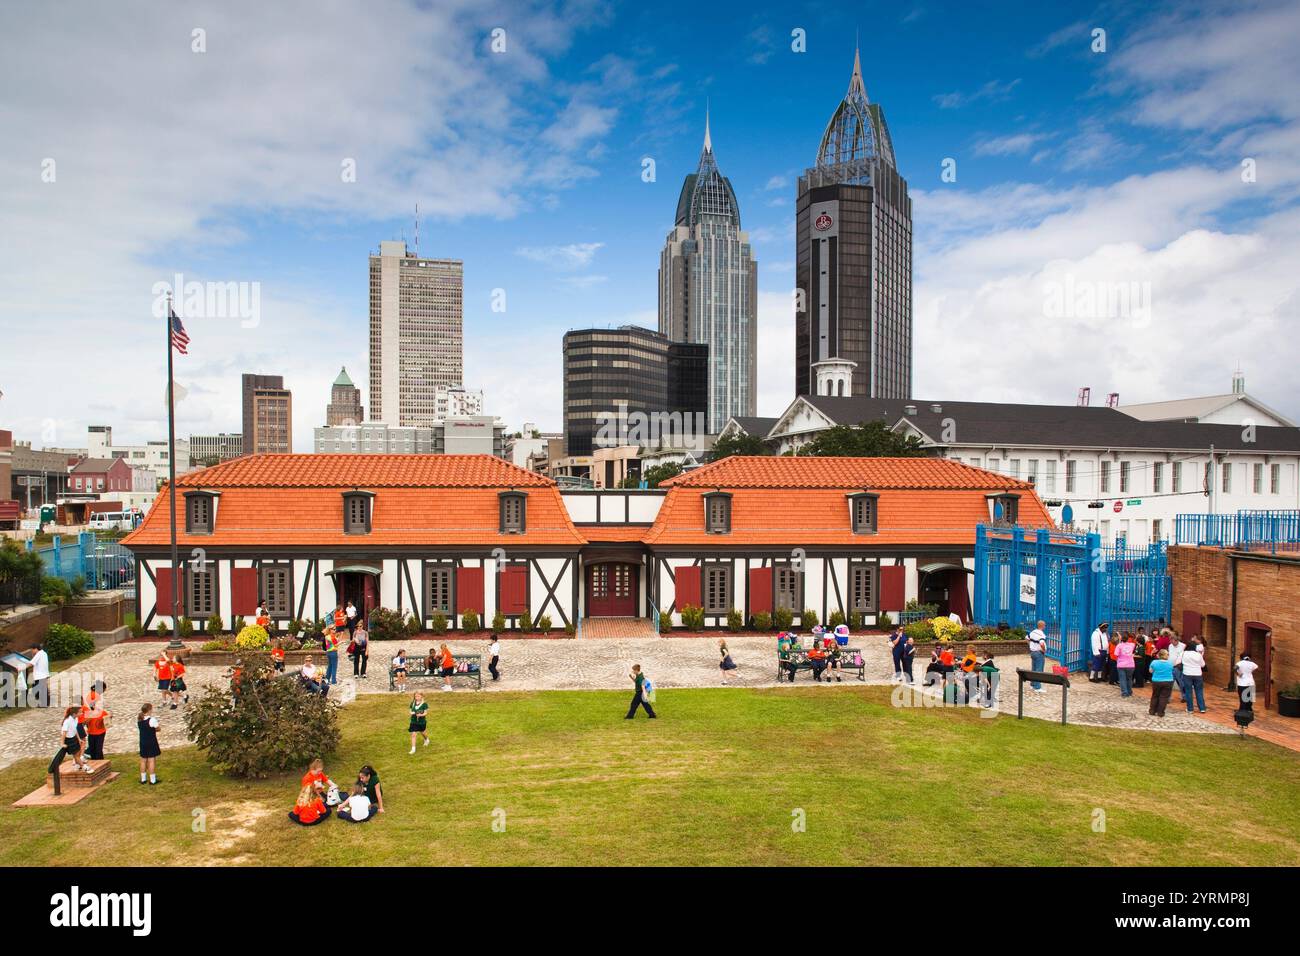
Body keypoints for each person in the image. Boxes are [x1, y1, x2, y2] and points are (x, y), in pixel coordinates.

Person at [53, 705, 92, 775]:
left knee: (79, 752)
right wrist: (62, 743)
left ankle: (77, 764)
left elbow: (75, 730)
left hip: (74, 737)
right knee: (76, 755)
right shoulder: (67, 721)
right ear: (74, 714)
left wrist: (79, 739)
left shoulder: (76, 719)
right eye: (80, 712)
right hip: (69, 739)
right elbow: (64, 733)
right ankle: (84, 767)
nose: (82, 713)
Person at [81, 681, 109, 761]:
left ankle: (98, 763)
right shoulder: (94, 696)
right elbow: (94, 710)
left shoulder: (92, 694)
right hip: (96, 726)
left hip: (93, 727)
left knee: (96, 750)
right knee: (97, 750)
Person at [137, 702, 161, 784]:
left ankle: (143, 779)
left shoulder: (139, 719)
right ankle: (152, 780)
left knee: (143, 760)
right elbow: (158, 729)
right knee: (151, 760)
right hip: (151, 742)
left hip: (142, 742)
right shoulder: (152, 720)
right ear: (149, 710)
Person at [1181, 641, 1207, 713]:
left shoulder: (1184, 653)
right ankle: (1202, 708)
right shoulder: (1198, 655)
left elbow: (1181, 661)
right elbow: (1203, 665)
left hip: (1187, 673)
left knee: (1188, 691)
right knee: (1199, 691)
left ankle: (1190, 709)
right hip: (1197, 674)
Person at [1148, 650, 1175, 717]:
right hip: (1168, 681)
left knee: (1155, 696)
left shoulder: (1154, 662)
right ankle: (1161, 712)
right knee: (1164, 697)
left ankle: (1152, 710)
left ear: (1159, 655)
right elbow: (1172, 670)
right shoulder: (1170, 663)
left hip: (1156, 680)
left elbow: (1150, 671)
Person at [1026, 620, 1048, 693]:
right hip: (1039, 653)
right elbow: (1042, 643)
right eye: (1045, 625)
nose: (1045, 627)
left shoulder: (1032, 632)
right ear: (1043, 626)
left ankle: (1032, 684)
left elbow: (1026, 638)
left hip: (1032, 652)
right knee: (1039, 670)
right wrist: (1044, 650)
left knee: (1034, 668)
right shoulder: (1041, 635)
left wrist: (1030, 645)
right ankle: (1037, 687)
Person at [28, 641, 50, 708]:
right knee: (43, 689)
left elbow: (31, 663)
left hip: (39, 675)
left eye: (32, 649)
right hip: (44, 674)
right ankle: (46, 703)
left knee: (37, 690)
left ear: (35, 649)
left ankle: (43, 704)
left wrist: (20, 668)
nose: (31, 651)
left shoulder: (38, 654)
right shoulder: (43, 653)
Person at [1115, 632, 1137, 698]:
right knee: (1129, 679)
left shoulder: (1119, 645)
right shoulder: (1132, 645)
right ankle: (1130, 692)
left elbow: (1116, 654)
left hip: (1121, 664)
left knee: (1122, 679)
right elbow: (1134, 642)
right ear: (1128, 638)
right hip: (1130, 664)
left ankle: (1124, 693)